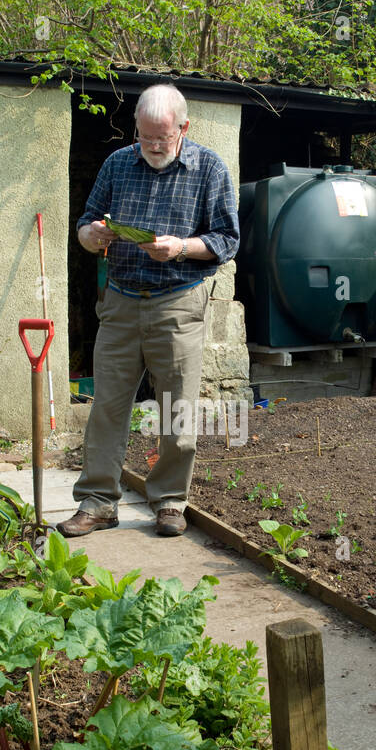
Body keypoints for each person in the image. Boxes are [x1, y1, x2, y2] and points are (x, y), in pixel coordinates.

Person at [59, 84, 239, 538]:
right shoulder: (117, 163)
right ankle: (98, 503)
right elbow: (84, 225)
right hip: (119, 301)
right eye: (146, 136)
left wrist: (180, 247)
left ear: (184, 127)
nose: (154, 145)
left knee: (176, 409)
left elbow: (227, 239)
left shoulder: (209, 168)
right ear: (136, 127)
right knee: (108, 408)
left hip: (178, 302)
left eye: (163, 137)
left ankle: (170, 502)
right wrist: (92, 237)